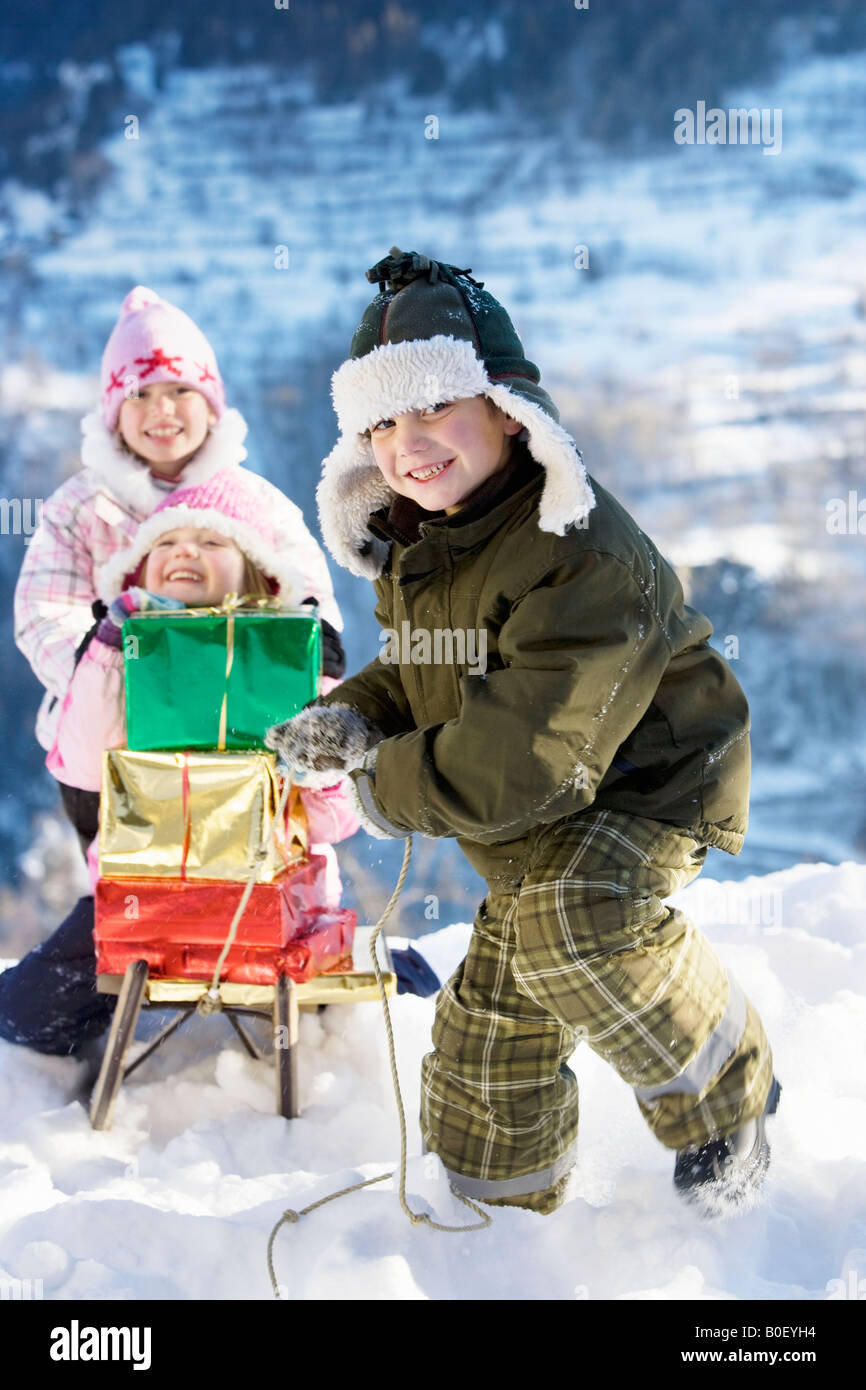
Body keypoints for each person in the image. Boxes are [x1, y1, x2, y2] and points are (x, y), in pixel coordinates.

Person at [266, 247, 781, 1213]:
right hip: (537, 811)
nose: (408, 444)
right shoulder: (432, 539)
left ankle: (728, 1096)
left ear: (507, 410)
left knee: (575, 926)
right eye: (383, 422)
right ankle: (494, 1219)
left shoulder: (578, 550)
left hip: (647, 787)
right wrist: (357, 716)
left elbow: (526, 757)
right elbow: (433, 668)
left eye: (433, 410)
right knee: (488, 1044)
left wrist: (376, 783)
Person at [0, 470, 359, 1057]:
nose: (184, 550)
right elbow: (86, 769)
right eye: (164, 544)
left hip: (269, 901)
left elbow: (334, 820)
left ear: (258, 573)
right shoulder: (123, 651)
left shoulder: (291, 656)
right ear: (140, 572)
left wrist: (318, 711)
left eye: (212, 541)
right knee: (29, 1014)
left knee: (326, 995)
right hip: (139, 899)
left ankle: (406, 967)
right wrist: (111, 650)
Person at [14, 285, 340, 855]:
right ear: (114, 412)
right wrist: (106, 669)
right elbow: (42, 611)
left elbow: (304, 591)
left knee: (246, 850)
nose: (161, 412)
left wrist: (312, 648)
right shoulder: (81, 506)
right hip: (111, 735)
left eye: (180, 391)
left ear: (210, 403)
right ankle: (118, 918)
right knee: (131, 861)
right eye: (140, 395)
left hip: (238, 730)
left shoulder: (253, 503)